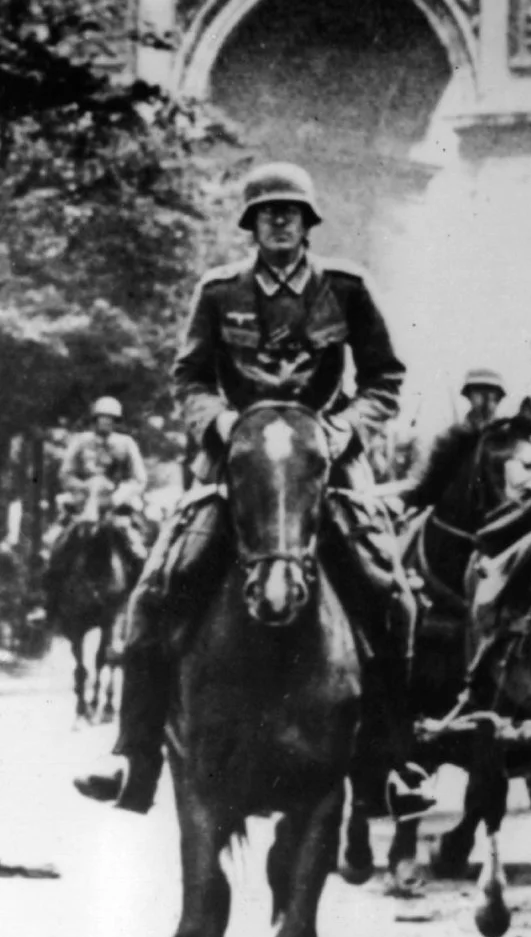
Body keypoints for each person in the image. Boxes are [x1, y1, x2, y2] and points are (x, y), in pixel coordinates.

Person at [77, 160, 422, 815]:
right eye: (269, 212)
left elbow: (384, 379)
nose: (281, 221)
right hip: (236, 461)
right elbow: (189, 378)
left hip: (324, 460)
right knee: (155, 588)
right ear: (252, 223)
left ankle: (393, 763)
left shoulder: (346, 288)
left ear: (308, 223)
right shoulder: (218, 291)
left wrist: (341, 430)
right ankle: (135, 756)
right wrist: (223, 422)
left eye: (292, 211)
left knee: (394, 595)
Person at [46, 397, 152, 574]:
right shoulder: (80, 441)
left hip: (115, 505)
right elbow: (66, 473)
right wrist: (83, 487)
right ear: (94, 419)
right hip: (82, 503)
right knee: (56, 545)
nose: (106, 422)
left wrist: (118, 495)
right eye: (102, 417)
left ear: (116, 421)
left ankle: (140, 591)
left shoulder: (126, 443)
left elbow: (139, 478)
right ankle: (52, 592)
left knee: (136, 550)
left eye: (110, 418)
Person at [392, 367, 509, 514]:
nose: (486, 400)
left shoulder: (505, 438)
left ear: (498, 399)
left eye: (492, 396)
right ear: (469, 396)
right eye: (479, 393)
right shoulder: (452, 437)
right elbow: (431, 483)